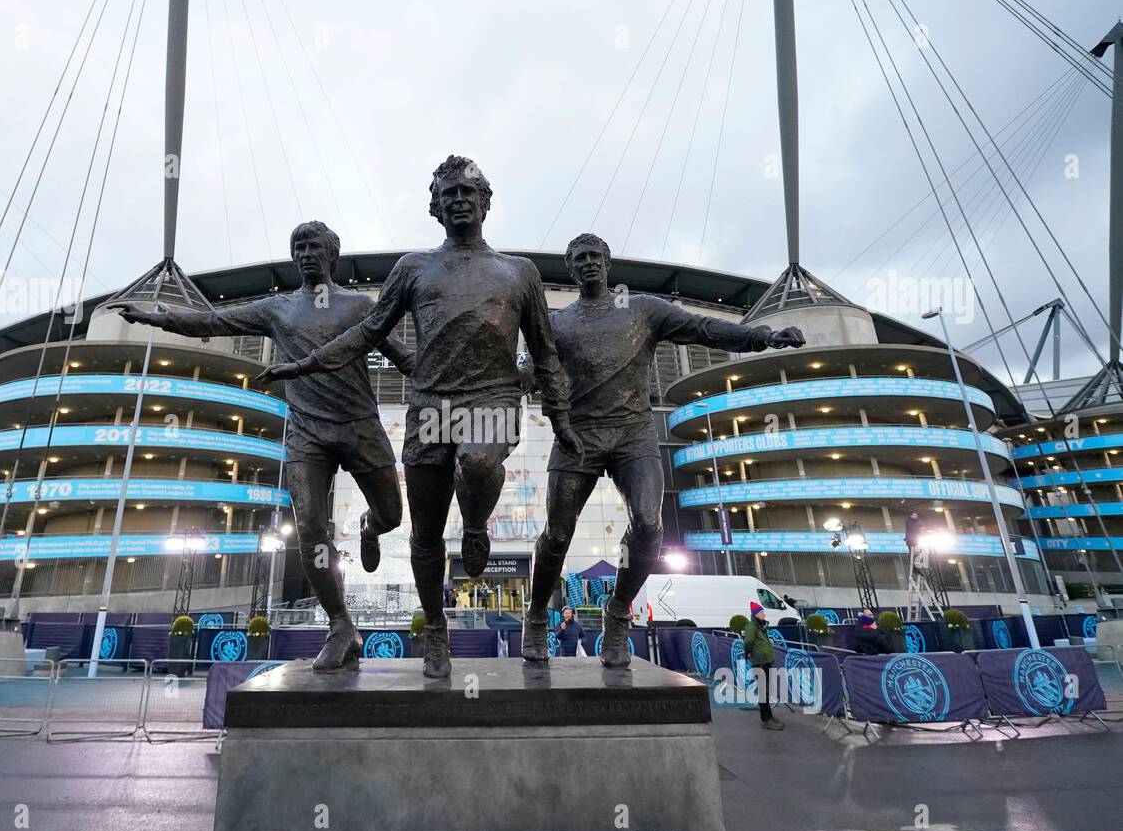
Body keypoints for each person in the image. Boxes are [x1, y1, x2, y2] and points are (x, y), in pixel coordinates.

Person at [263, 157, 578, 678]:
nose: (458, 199)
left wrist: (561, 419)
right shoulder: (413, 267)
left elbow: (544, 352)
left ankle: (475, 524)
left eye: (468, 191)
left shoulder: (519, 272)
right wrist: (306, 362)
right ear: (435, 206)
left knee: (478, 462)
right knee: (425, 534)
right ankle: (435, 628)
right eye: (448, 192)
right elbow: (368, 333)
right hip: (431, 404)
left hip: (492, 397)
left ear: (485, 201)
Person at [113, 221, 414, 673]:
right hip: (307, 434)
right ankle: (340, 626)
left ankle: (370, 529)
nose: (306, 253)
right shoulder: (278, 309)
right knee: (310, 530)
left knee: (392, 514)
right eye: (299, 247)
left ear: (333, 254)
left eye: (315, 246)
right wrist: (157, 316)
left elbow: (401, 356)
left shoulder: (358, 306)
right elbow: (212, 320)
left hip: (359, 427)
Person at [519, 232, 804, 667]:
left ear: (608, 263)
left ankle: (618, 613)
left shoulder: (643, 309)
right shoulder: (557, 323)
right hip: (578, 436)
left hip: (633, 434)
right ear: (571, 268)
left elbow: (706, 329)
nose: (588, 262)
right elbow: (532, 372)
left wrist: (760, 336)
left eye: (596, 255)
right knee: (557, 533)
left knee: (650, 527)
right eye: (579, 258)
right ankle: (537, 618)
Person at [742, 601, 782, 730]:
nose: (764, 614)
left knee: (766, 690)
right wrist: (748, 653)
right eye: (761, 612)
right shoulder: (752, 626)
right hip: (759, 662)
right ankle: (765, 719)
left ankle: (769, 716)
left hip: (765, 661)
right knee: (763, 691)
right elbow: (748, 641)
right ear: (756, 614)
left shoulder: (759, 626)